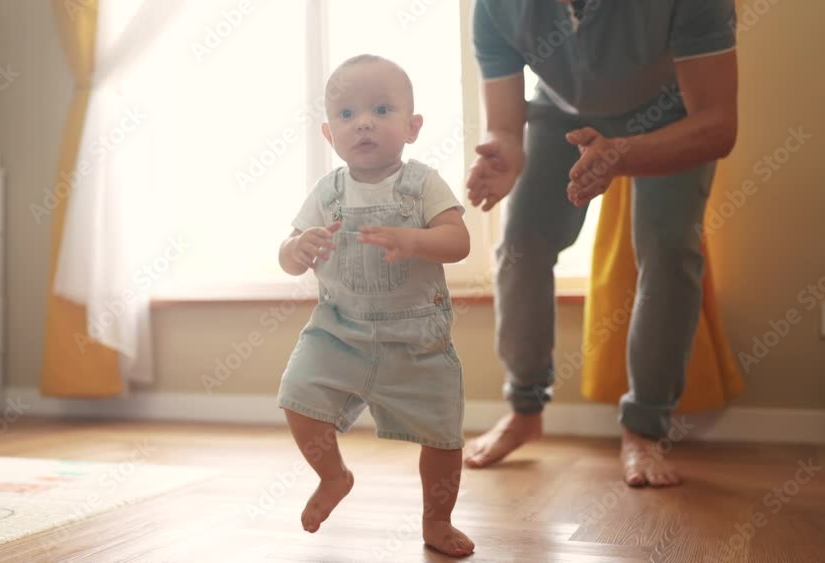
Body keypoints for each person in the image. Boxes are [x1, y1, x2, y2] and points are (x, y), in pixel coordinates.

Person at [462, 0, 739, 488]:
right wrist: (503, 151)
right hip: (559, 113)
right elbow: (504, 125)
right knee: (521, 244)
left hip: (674, 112)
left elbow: (717, 123)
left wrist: (622, 154)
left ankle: (644, 429)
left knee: (670, 250)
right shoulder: (496, 8)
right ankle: (524, 410)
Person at [275, 54, 475, 556]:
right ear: (329, 133)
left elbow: (458, 241)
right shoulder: (328, 193)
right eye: (346, 115)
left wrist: (414, 240)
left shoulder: (423, 183)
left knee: (444, 438)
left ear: (412, 127)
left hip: (417, 342)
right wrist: (295, 250)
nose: (362, 122)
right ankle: (333, 476)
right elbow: (289, 255)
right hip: (338, 333)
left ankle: (436, 521)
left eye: (381, 109)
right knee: (297, 396)